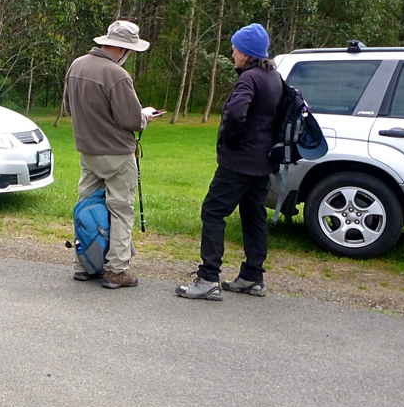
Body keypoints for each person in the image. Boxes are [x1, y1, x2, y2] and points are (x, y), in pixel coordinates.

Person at [177, 23, 283, 301]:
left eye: (235, 48)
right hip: (263, 162)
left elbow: (236, 114)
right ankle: (252, 277)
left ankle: (208, 278)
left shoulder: (249, 79)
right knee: (253, 215)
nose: (232, 52)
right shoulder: (273, 76)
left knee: (213, 212)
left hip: (239, 162)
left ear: (246, 53)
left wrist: (229, 138)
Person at [63, 20, 158, 289]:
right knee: (121, 209)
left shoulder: (77, 66)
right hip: (116, 153)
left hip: (87, 150)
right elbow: (130, 119)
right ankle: (116, 270)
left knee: (85, 206)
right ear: (124, 49)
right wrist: (145, 118)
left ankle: (82, 264)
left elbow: (70, 107)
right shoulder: (117, 75)